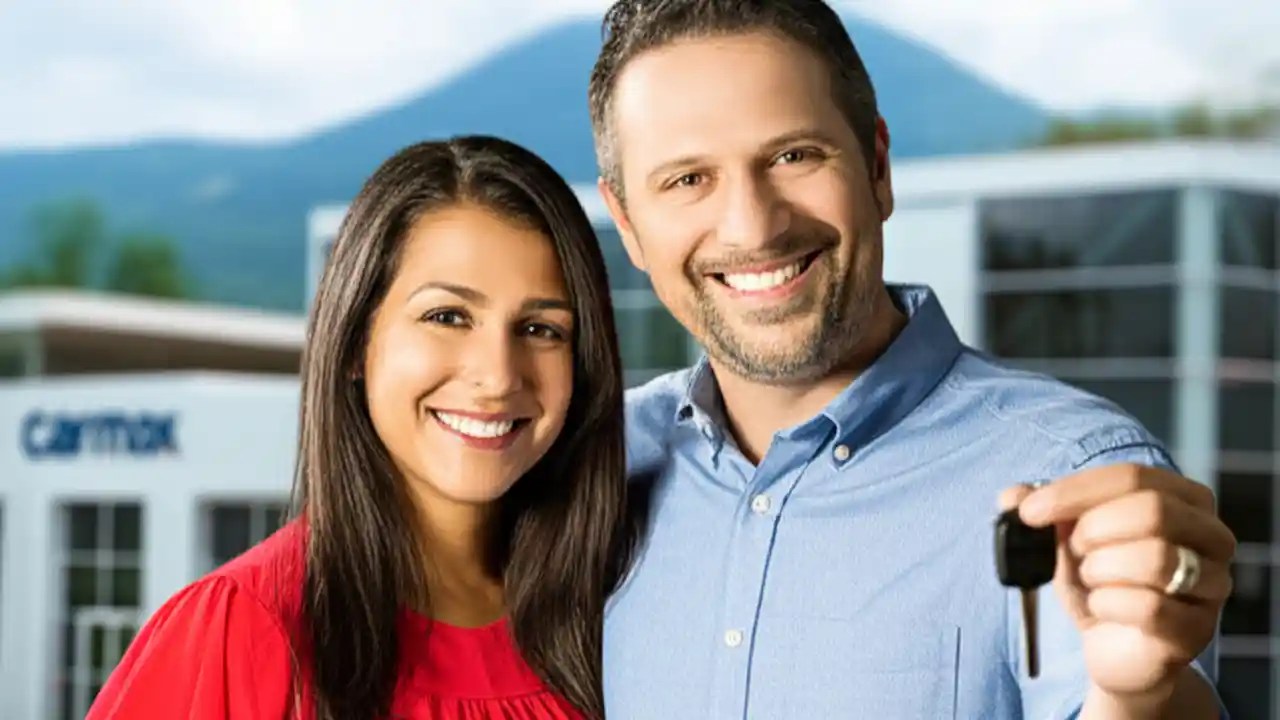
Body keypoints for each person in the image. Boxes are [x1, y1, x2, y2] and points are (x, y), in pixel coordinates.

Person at [587, 1, 1237, 718]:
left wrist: (1138, 698)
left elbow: (1135, 690)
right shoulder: (583, 470)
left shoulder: (1069, 477)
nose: (753, 225)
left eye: (793, 156)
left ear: (877, 167)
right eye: (687, 180)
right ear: (628, 227)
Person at [87, 136, 631, 720]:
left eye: (541, 329)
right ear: (354, 344)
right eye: (447, 317)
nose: (498, 376)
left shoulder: (619, 621)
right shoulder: (237, 632)